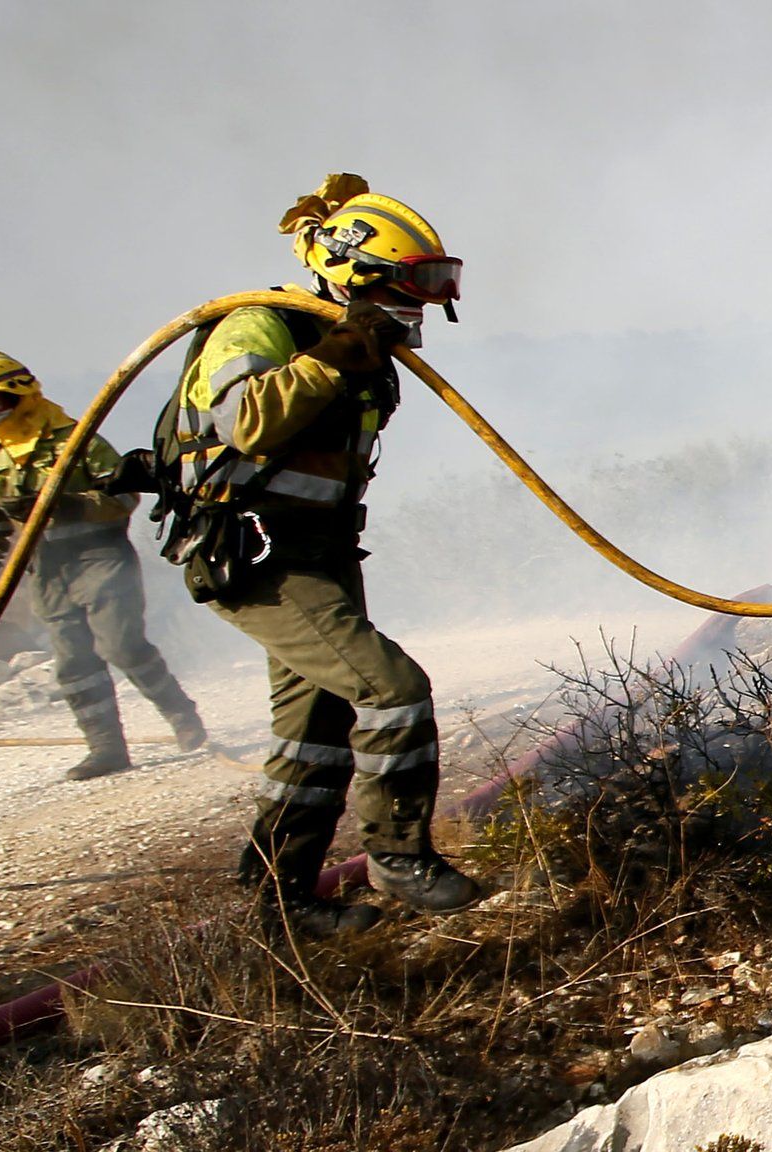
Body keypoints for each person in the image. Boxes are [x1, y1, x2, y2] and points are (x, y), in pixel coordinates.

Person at [150, 174, 477, 935]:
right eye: (412, 285)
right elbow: (247, 419)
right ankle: (398, 857)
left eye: (435, 287)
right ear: (356, 273)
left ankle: (281, 903)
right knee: (391, 690)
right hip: (258, 556)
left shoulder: (358, 345)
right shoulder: (262, 326)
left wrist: (352, 352)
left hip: (322, 556)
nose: (423, 303)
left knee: (314, 735)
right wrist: (334, 354)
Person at [0, 351, 206, 780]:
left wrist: (69, 505)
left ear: (21, 396)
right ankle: (105, 748)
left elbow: (125, 498)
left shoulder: (76, 440)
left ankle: (183, 718)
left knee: (121, 646)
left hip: (100, 559)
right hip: (48, 572)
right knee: (74, 662)